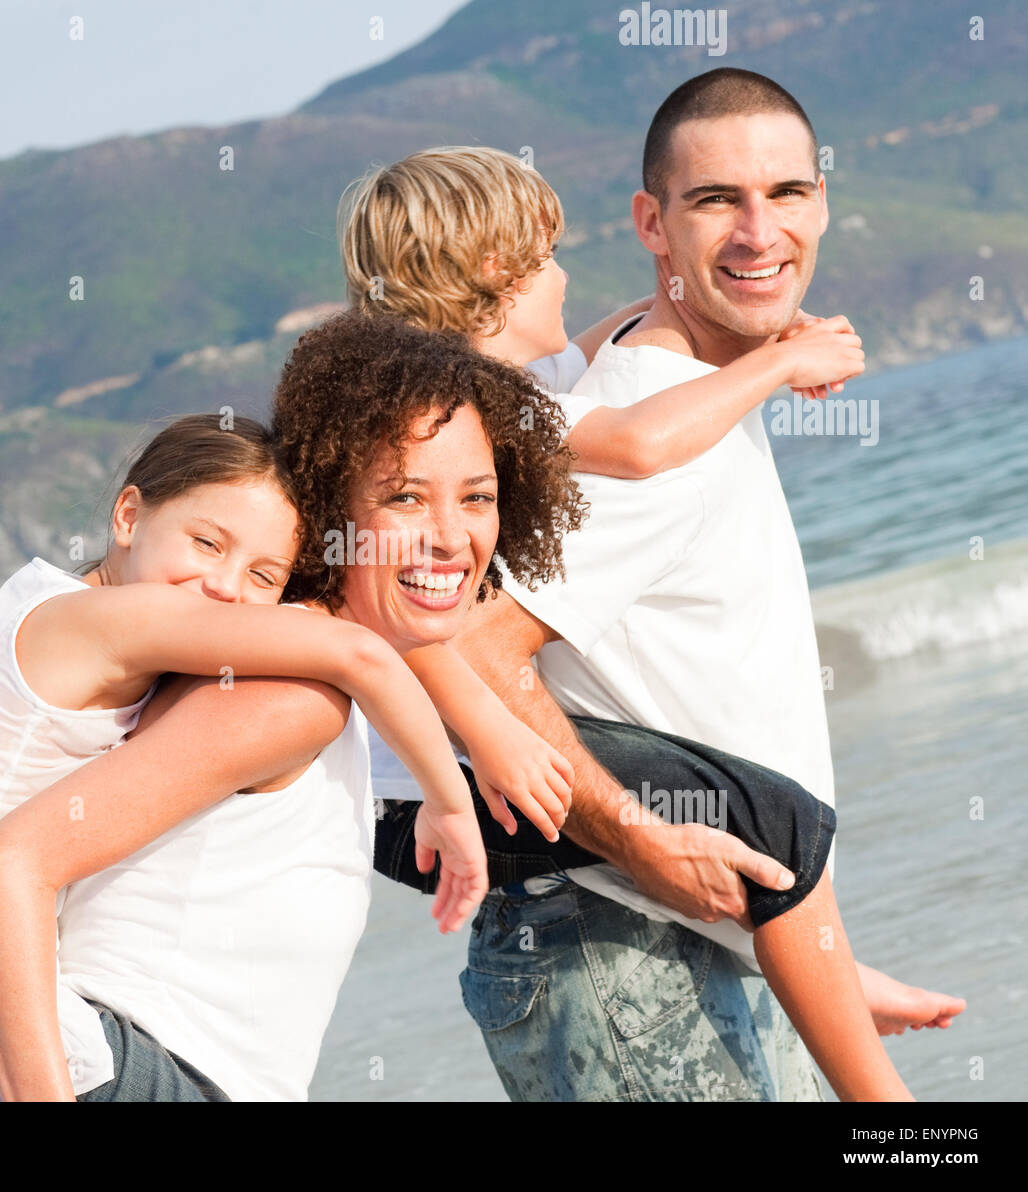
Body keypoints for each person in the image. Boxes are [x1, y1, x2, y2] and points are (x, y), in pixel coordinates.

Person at [340, 76, 962, 1102]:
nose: (760, 230)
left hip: (650, 929)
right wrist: (625, 826)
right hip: (606, 936)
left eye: (786, 194)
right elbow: (625, 458)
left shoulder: (537, 383)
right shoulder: (508, 410)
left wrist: (757, 326)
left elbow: (605, 352)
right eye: (717, 200)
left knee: (773, 832)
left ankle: (836, 980)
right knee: (778, 828)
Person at [0, 409, 556, 1101]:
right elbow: (357, 651)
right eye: (206, 542)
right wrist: (449, 803)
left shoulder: (55, 614)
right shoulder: (106, 622)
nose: (225, 588)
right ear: (129, 515)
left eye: (264, 575)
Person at [0, 311, 586, 1101]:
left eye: (478, 497)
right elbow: (6, 865)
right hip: (144, 1071)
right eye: (406, 499)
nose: (451, 538)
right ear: (328, 512)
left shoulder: (300, 661)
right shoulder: (292, 694)